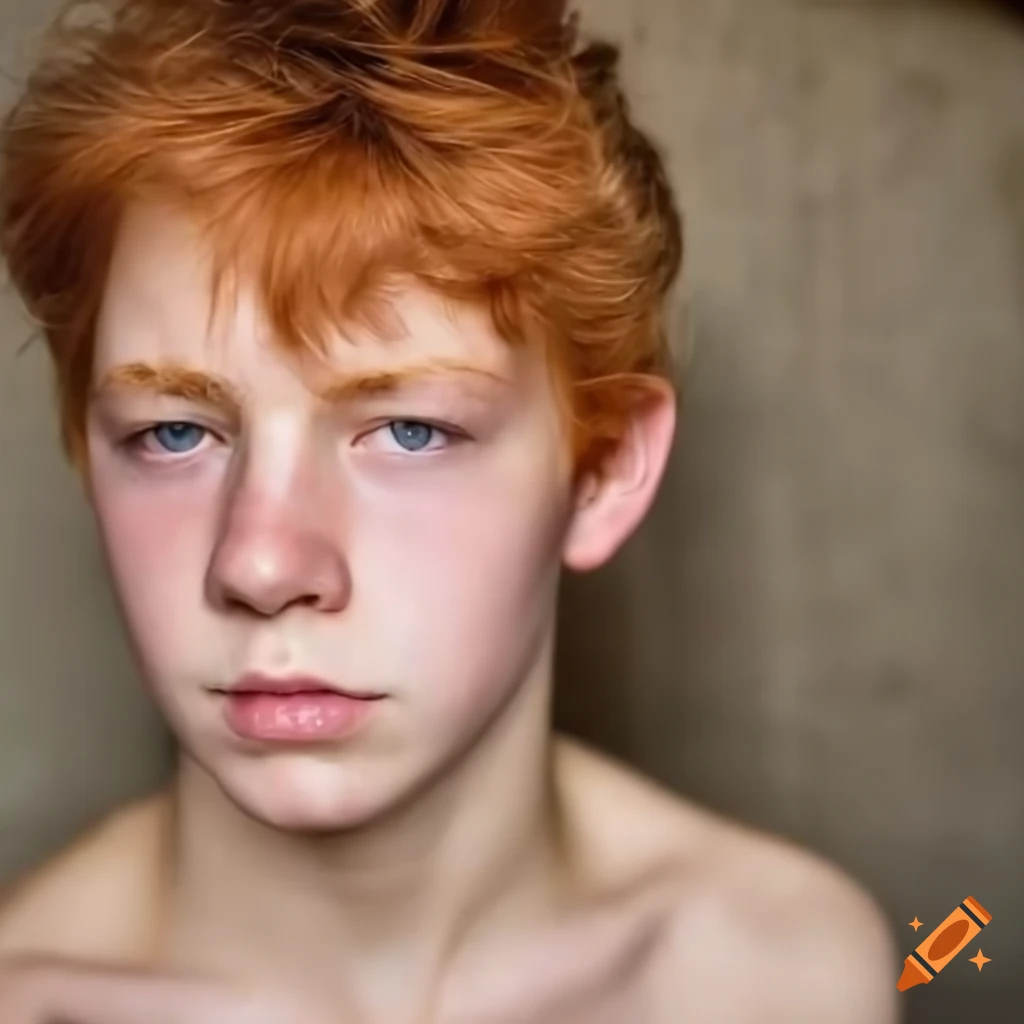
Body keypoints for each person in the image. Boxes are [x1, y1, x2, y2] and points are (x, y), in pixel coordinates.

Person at [0, 1, 898, 1020]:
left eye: (412, 430)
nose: (259, 563)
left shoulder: (782, 973)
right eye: (173, 433)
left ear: (602, 468)